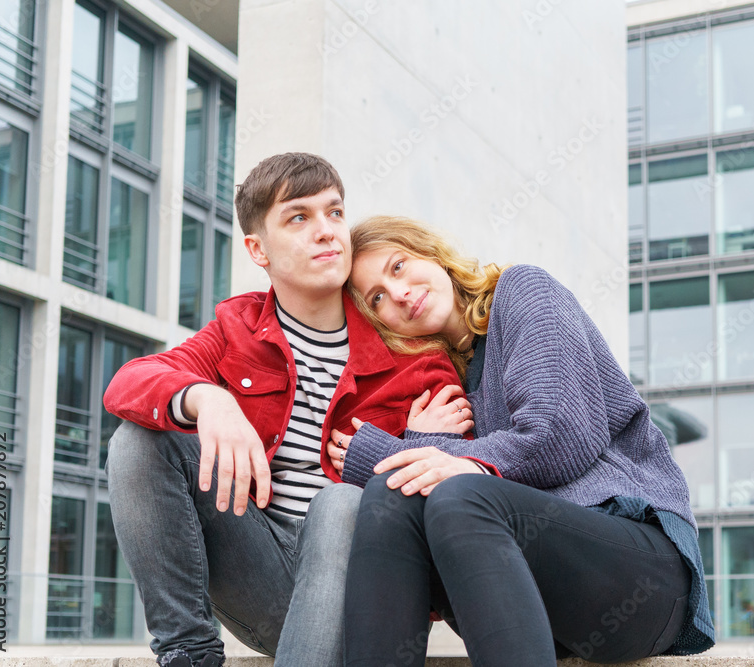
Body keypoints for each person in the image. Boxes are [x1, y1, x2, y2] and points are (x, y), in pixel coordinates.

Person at [102, 155, 475, 667]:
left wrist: (411, 446)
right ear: (258, 249)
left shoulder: (413, 356)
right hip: (265, 576)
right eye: (299, 217)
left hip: (366, 595)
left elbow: (460, 492)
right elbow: (130, 382)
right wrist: (208, 398)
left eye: (335, 212)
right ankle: (188, 654)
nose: (327, 232)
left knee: (340, 504)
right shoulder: (238, 328)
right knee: (139, 441)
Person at [328, 216, 716, 666]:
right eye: (377, 299)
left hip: (638, 573)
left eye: (398, 266)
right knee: (391, 493)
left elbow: (556, 436)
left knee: (454, 494)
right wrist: (420, 442)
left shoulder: (522, 290)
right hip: (539, 607)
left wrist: (394, 453)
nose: (398, 293)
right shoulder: (440, 388)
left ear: (431, 254)